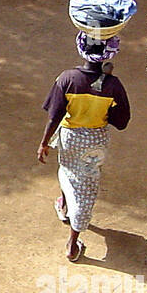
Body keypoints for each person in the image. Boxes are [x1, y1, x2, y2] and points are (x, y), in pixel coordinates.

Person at [38, 34, 131, 262]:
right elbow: (121, 121)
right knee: (86, 188)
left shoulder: (67, 79)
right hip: (95, 142)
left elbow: (54, 115)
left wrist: (43, 143)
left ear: (81, 50)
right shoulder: (113, 85)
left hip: (70, 138)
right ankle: (72, 243)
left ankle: (64, 205)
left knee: (67, 170)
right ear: (108, 54)